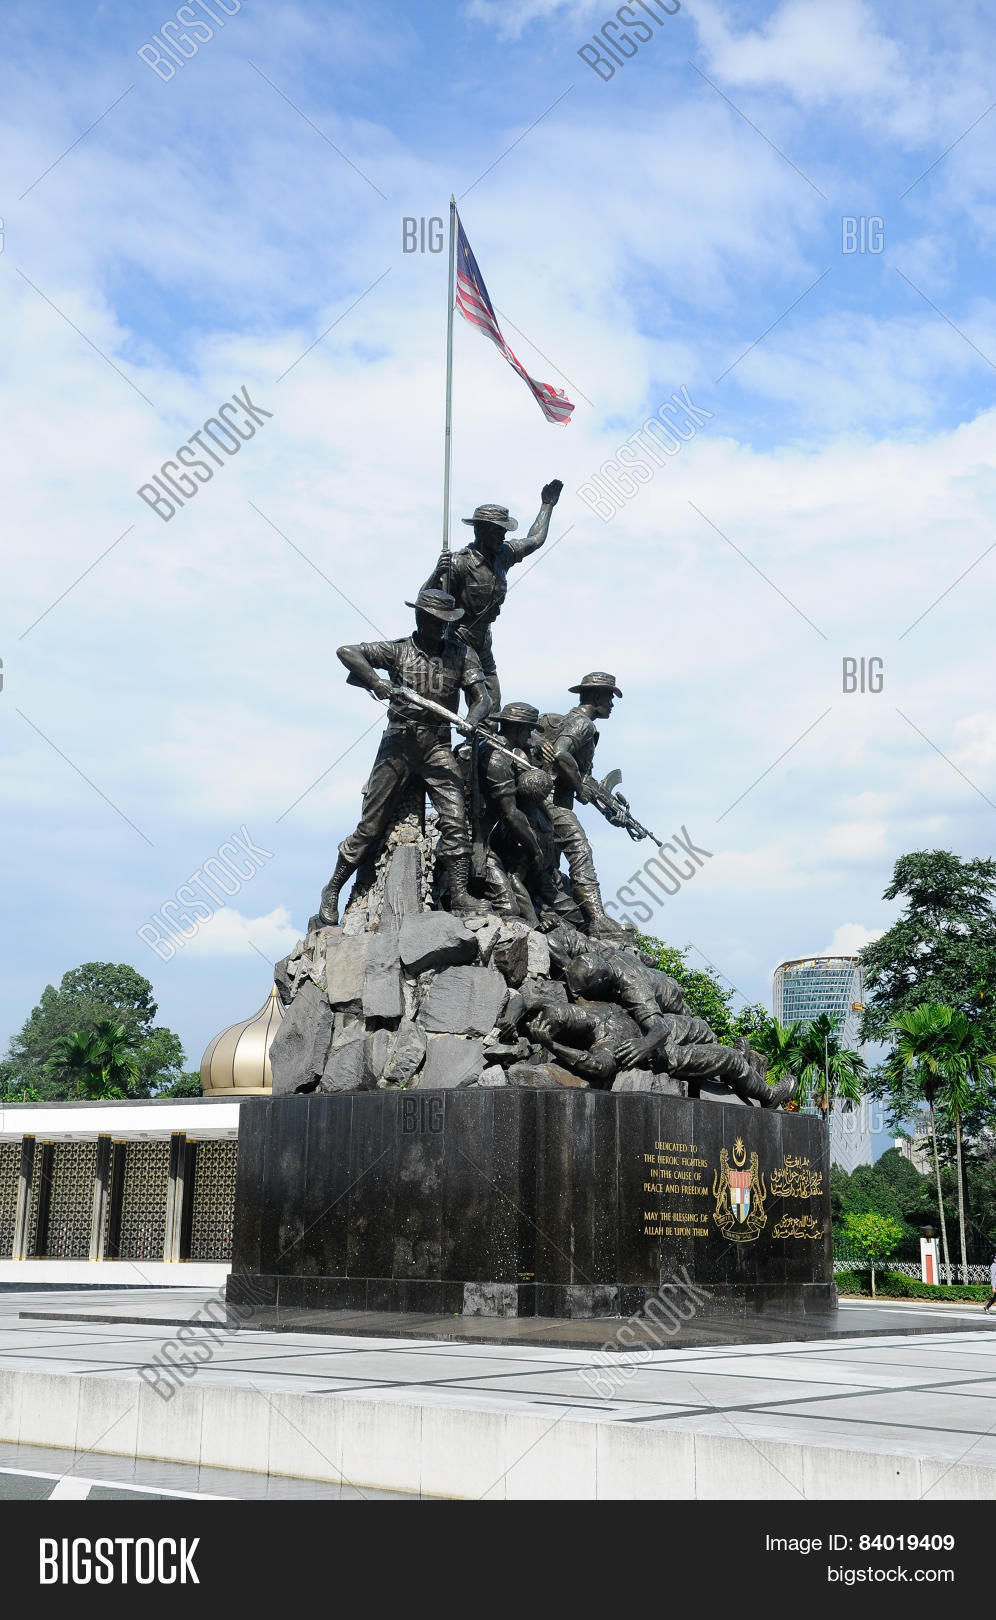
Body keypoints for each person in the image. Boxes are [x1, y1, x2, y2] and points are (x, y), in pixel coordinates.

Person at [314, 588, 491, 924]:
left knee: (456, 819)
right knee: (370, 825)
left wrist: (473, 720)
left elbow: (482, 699)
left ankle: (459, 894)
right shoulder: (398, 651)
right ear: (419, 618)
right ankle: (333, 888)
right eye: (434, 621)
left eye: (445, 622)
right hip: (399, 742)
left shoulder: (462, 654)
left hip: (438, 745)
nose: (440, 628)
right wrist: (376, 682)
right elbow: (346, 652)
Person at [421, 482, 563, 707]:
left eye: (504, 531)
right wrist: (437, 572)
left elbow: (535, 540)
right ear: (481, 531)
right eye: (499, 530)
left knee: (492, 705)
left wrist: (547, 506)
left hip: (484, 641)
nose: (503, 535)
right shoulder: (459, 563)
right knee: (445, 701)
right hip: (458, 641)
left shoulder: (503, 556)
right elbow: (426, 601)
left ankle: (479, 743)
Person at [538, 672, 631, 939]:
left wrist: (608, 808)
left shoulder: (569, 720)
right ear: (597, 697)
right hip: (554, 802)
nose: (612, 705)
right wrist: (579, 788)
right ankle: (598, 919)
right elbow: (560, 753)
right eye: (610, 698)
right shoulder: (583, 725)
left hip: (551, 800)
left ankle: (558, 917)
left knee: (550, 865)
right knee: (580, 851)